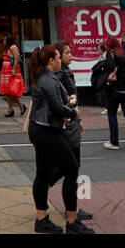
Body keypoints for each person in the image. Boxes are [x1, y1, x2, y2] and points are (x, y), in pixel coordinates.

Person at [26, 44, 91, 233]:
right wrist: (74, 111)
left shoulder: (46, 78)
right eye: (57, 57)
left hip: (40, 129)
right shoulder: (48, 80)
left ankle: (42, 220)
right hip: (47, 131)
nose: (60, 60)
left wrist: (68, 109)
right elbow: (57, 108)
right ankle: (72, 222)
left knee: (43, 174)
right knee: (71, 169)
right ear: (50, 61)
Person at [99, 36, 125, 152]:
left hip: (116, 90)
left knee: (112, 115)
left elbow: (109, 67)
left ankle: (114, 142)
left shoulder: (110, 53)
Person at [0, 35, 24, 117]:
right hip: (5, 71)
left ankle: (20, 106)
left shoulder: (13, 47)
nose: (3, 41)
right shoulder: (7, 48)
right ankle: (10, 109)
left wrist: (14, 69)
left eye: (5, 40)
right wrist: (1, 71)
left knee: (12, 91)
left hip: (11, 71)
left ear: (9, 40)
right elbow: (5, 60)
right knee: (7, 92)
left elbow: (16, 58)